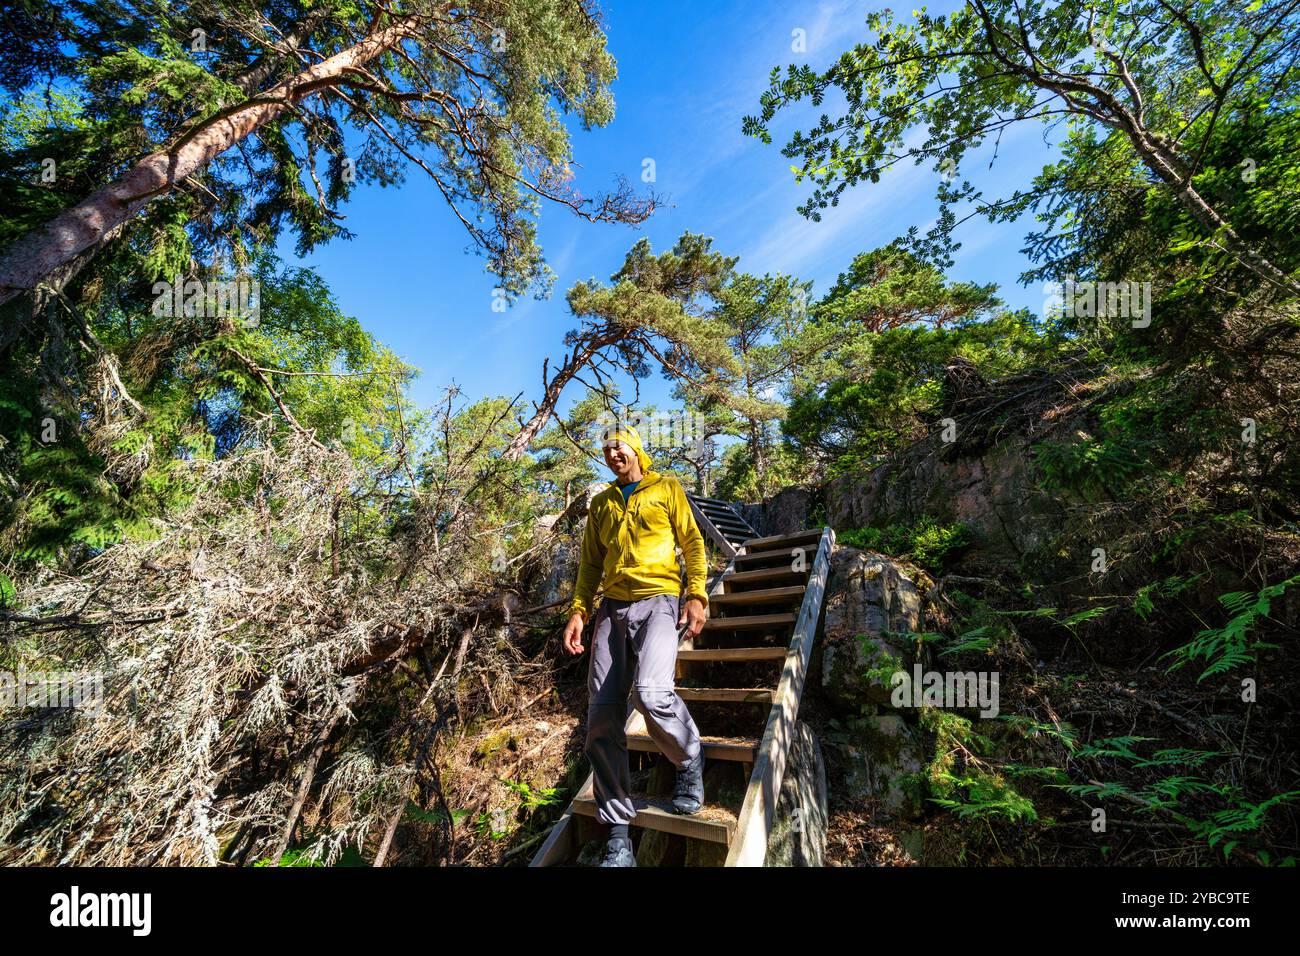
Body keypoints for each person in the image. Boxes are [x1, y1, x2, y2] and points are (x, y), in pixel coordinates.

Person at [562, 425, 710, 867]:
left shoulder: (666, 487)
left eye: (617, 445)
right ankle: (618, 832)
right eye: (605, 449)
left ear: (636, 449)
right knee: (602, 715)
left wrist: (697, 594)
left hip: (661, 601)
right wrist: (578, 612)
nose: (611, 453)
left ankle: (688, 758)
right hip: (611, 607)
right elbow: (590, 563)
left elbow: (693, 542)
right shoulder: (602, 503)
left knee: (651, 693)